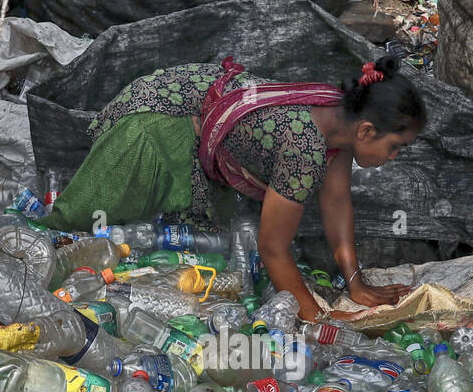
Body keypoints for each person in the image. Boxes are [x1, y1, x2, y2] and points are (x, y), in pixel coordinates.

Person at [36, 55, 428, 321]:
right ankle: (31, 275)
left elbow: (337, 201)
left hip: (203, 137)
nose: (393, 157)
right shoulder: (304, 147)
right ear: (366, 131)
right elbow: (272, 248)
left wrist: (355, 282)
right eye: (396, 147)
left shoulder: (337, 120)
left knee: (178, 250)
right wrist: (319, 321)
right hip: (158, 123)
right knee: (76, 231)